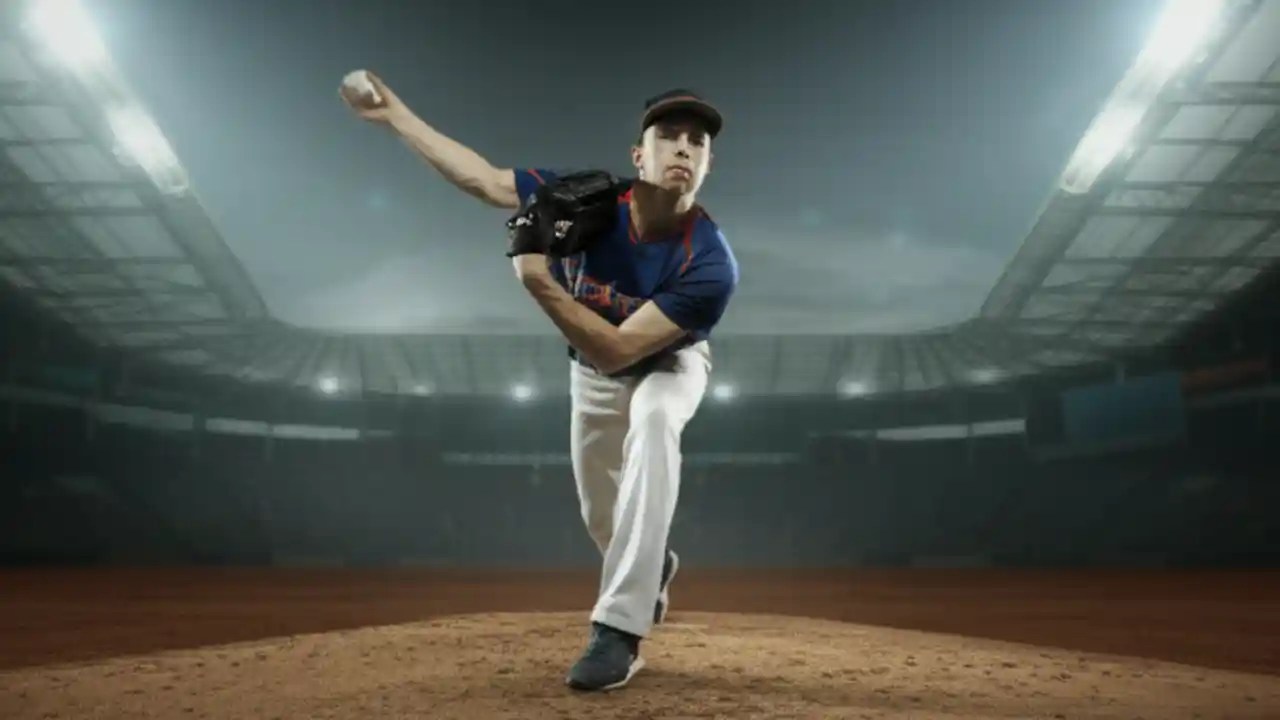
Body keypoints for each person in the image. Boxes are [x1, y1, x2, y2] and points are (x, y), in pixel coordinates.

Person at [342, 74, 739, 692]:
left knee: (657, 418)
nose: (684, 147)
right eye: (669, 135)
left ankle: (619, 631)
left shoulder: (710, 263)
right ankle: (652, 561)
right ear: (639, 155)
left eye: (698, 142)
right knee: (601, 517)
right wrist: (396, 115)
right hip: (591, 374)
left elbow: (618, 350)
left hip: (668, 363)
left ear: (709, 165)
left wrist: (536, 279)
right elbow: (485, 180)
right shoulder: (588, 200)